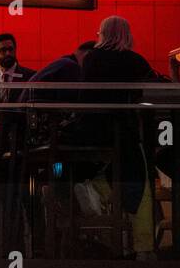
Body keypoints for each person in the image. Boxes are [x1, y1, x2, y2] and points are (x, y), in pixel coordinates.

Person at [66, 15, 160, 255]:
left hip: (93, 134)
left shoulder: (91, 59)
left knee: (106, 172)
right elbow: (155, 87)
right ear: (127, 34)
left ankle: (101, 203)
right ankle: (143, 246)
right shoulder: (134, 61)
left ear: (103, 34)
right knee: (140, 184)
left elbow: (85, 98)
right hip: (124, 134)